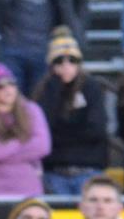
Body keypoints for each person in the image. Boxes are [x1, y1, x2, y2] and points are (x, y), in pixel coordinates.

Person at [36, 29, 112, 194]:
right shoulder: (44, 91)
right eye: (59, 61)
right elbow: (43, 131)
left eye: (72, 60)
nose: (66, 66)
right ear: (51, 65)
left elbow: (97, 130)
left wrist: (61, 131)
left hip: (89, 169)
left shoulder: (92, 88)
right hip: (55, 171)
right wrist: (55, 91)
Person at [0, 61, 50, 199]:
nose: (8, 89)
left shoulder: (31, 109)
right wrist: (22, 139)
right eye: (0, 86)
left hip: (28, 188)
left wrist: (5, 147)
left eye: (11, 83)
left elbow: (43, 146)